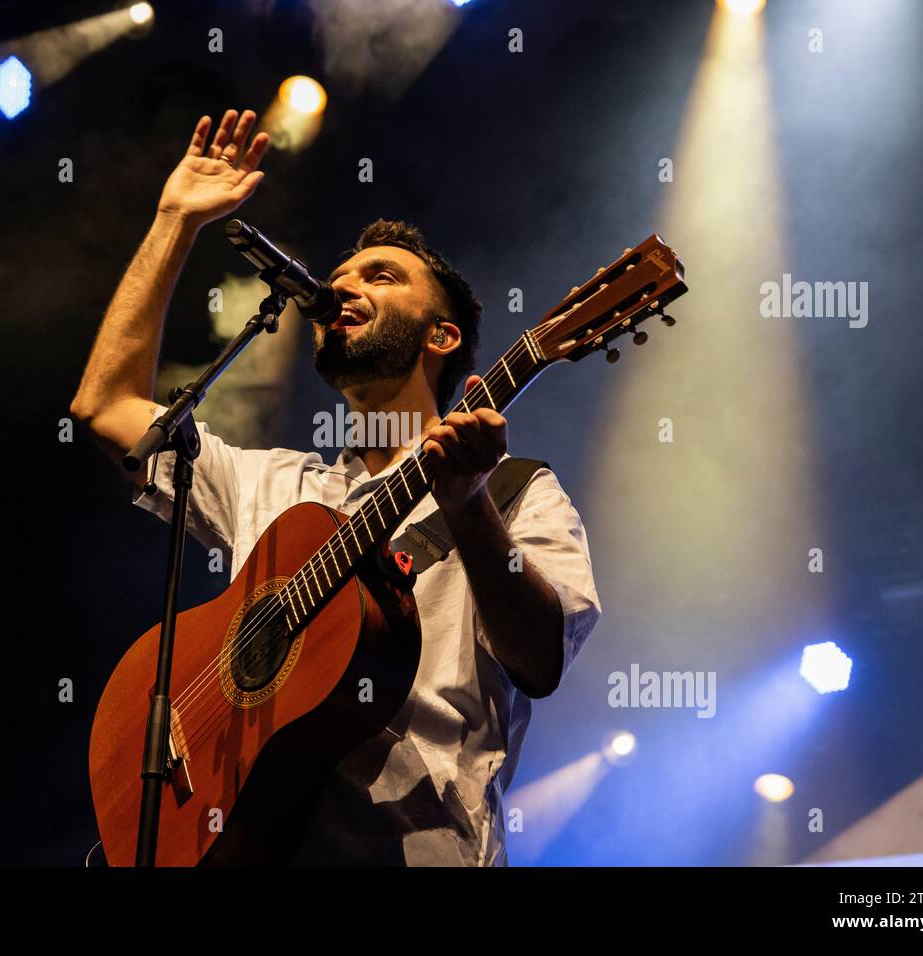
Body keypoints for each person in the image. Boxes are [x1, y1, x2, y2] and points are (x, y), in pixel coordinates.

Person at [70, 108, 601, 865]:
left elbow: (539, 658)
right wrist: (174, 221)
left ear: (440, 336)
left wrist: (467, 502)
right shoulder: (276, 482)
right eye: (339, 278)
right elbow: (106, 407)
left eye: (380, 277)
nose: (340, 289)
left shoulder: (515, 490)